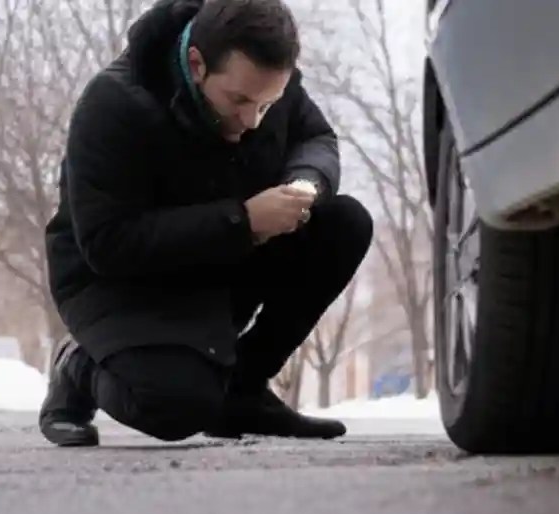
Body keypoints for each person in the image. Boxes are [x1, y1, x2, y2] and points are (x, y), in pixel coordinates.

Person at [39, 0, 371, 447]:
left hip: (220, 254)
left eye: (267, 104)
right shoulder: (114, 105)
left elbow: (315, 137)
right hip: (121, 283)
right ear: (197, 64)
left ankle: (243, 390)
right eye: (239, 101)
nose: (253, 120)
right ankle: (79, 366)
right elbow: (107, 243)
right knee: (176, 407)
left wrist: (305, 184)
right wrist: (245, 222)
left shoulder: (265, 83)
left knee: (344, 222)